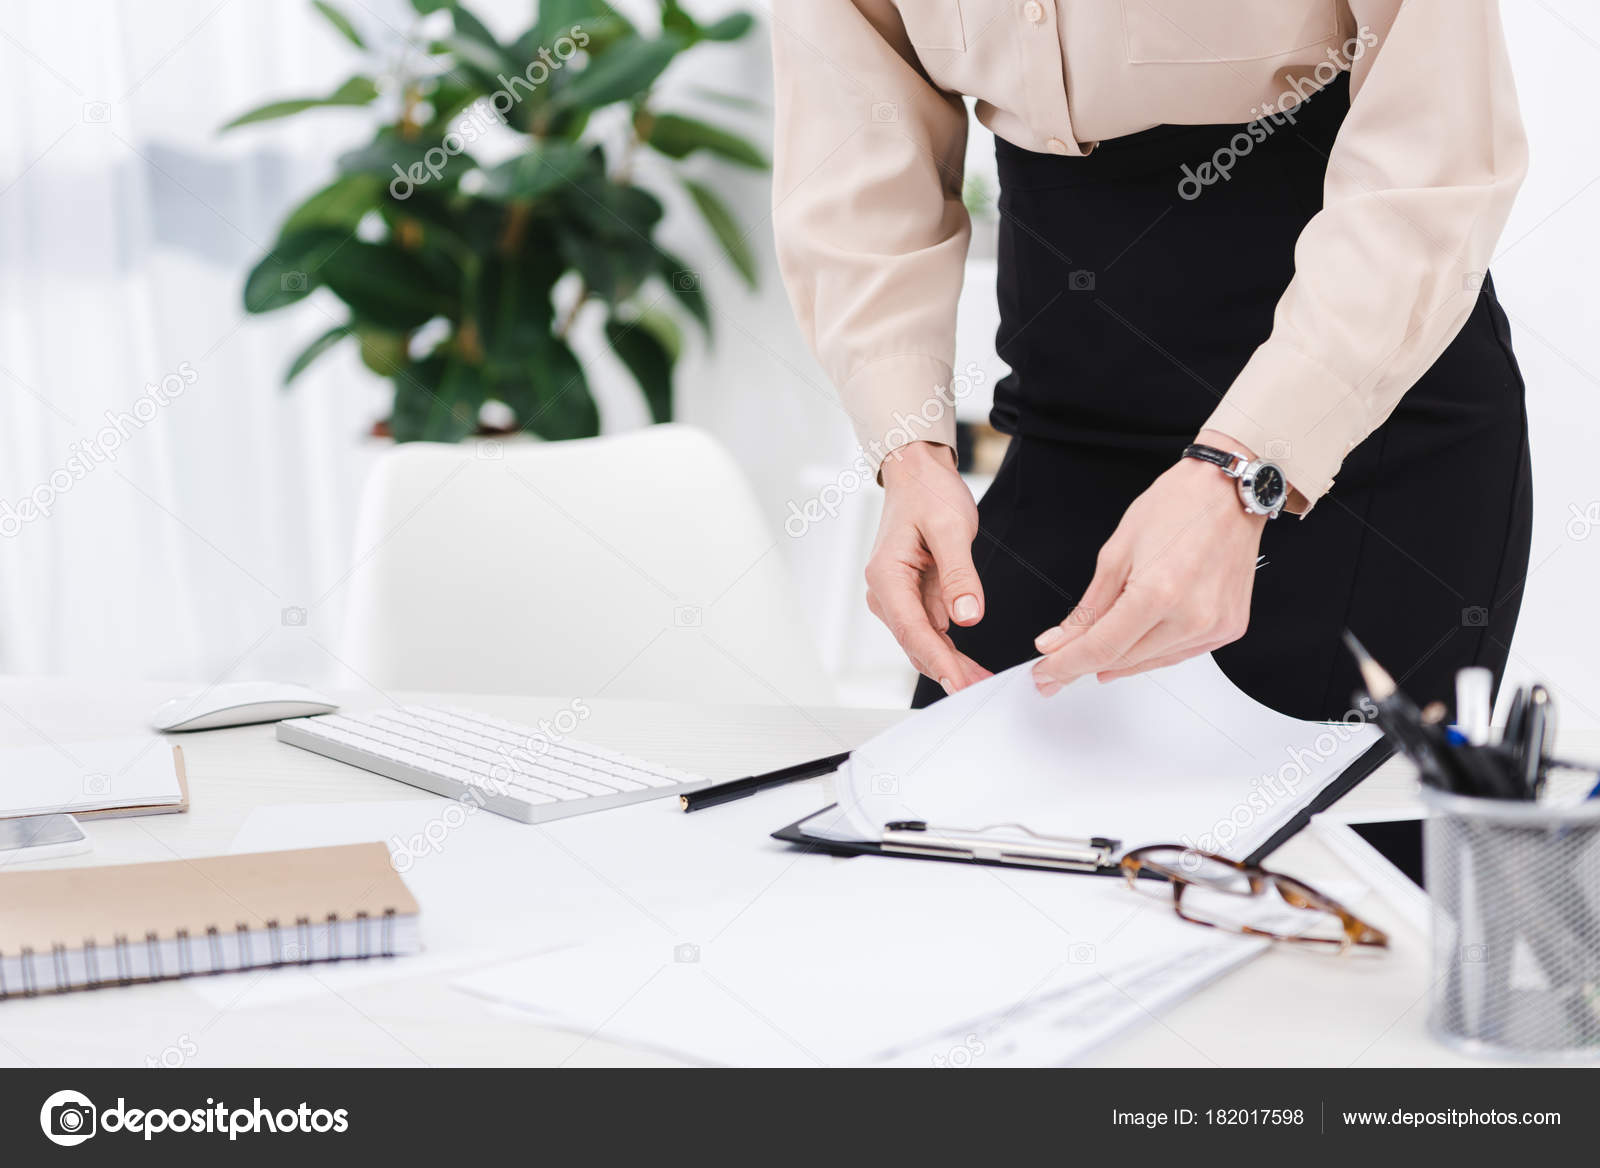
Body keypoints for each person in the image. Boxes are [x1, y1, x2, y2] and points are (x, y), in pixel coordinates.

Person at [771, 1, 1531, 719]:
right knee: (958, 798)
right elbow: (854, 137)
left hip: (1358, 425)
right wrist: (910, 451)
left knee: (1333, 818)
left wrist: (1245, 466)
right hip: (1063, 424)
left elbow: (1436, 155)